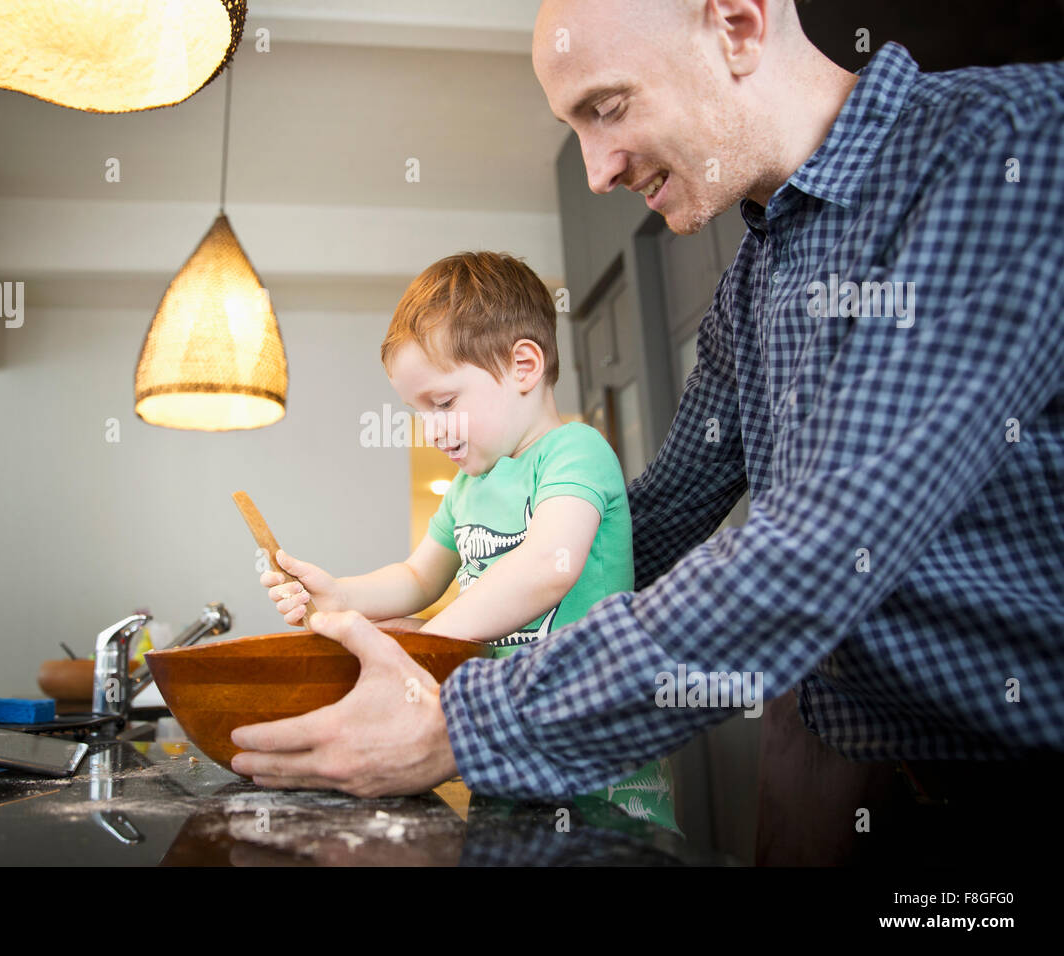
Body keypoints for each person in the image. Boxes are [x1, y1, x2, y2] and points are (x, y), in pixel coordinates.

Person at [231, 0, 1064, 863]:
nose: (595, 171)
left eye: (607, 107)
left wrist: (462, 716)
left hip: (1019, 778)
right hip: (848, 754)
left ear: (737, 26)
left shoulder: (1005, 144)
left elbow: (819, 544)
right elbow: (655, 515)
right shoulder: (753, 283)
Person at [261, 251, 677, 831]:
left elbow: (547, 567)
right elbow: (416, 578)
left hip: (596, 752)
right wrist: (341, 597)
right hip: (504, 742)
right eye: (418, 411)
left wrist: (425, 646)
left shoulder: (574, 451)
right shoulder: (467, 487)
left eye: (445, 403)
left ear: (524, 366)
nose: (433, 429)